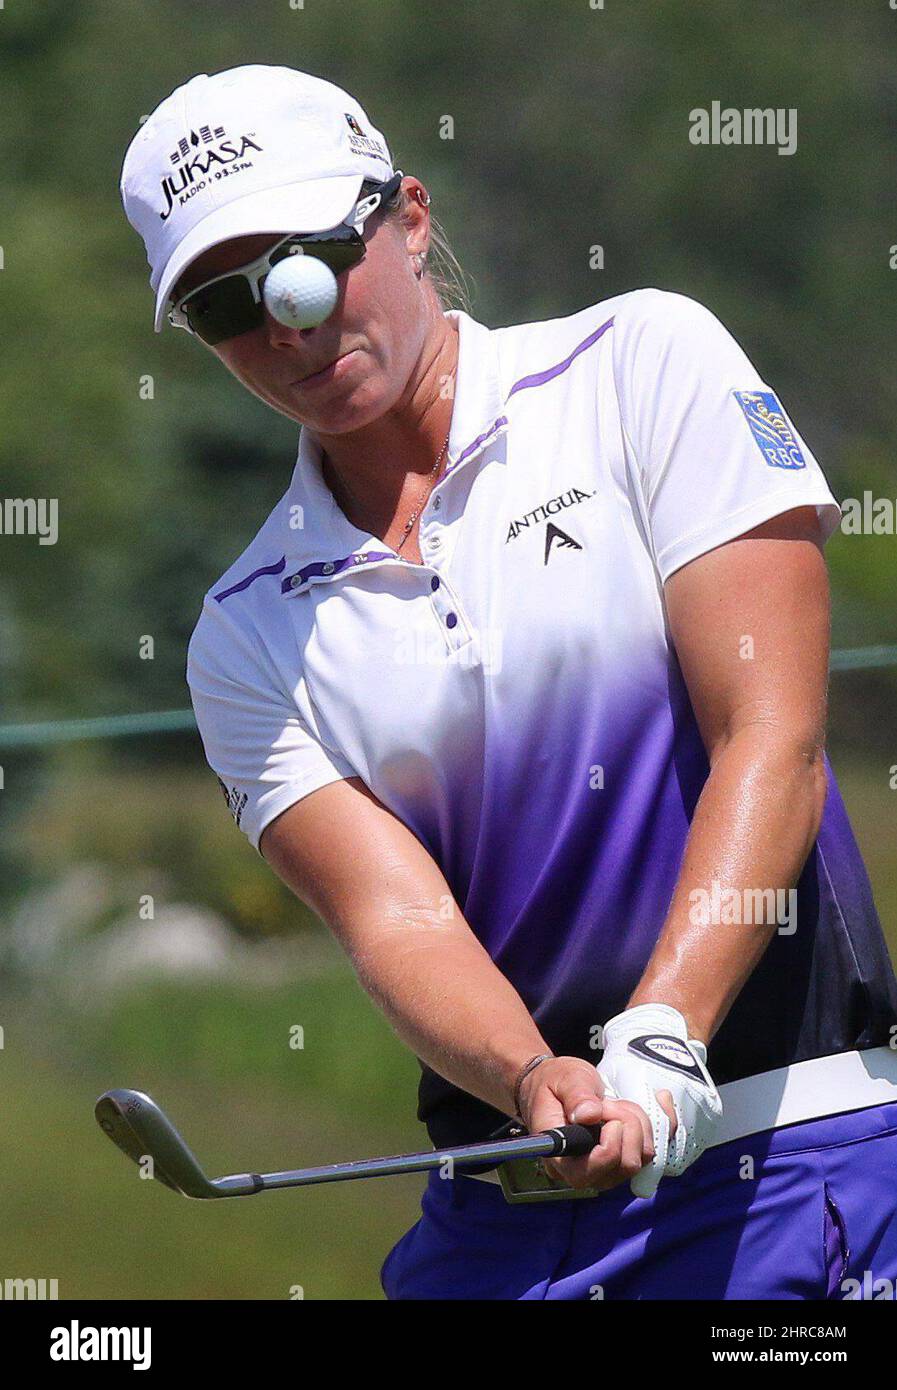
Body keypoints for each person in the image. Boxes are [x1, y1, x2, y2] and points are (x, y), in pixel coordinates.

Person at [120, 64, 897, 1300]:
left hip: (789, 1169)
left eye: (305, 263)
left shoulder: (642, 364)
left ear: (410, 216)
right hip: (504, 1217)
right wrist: (535, 1078)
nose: (284, 323)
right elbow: (398, 919)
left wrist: (663, 1034)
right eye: (224, 304)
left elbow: (773, 738)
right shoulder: (241, 634)